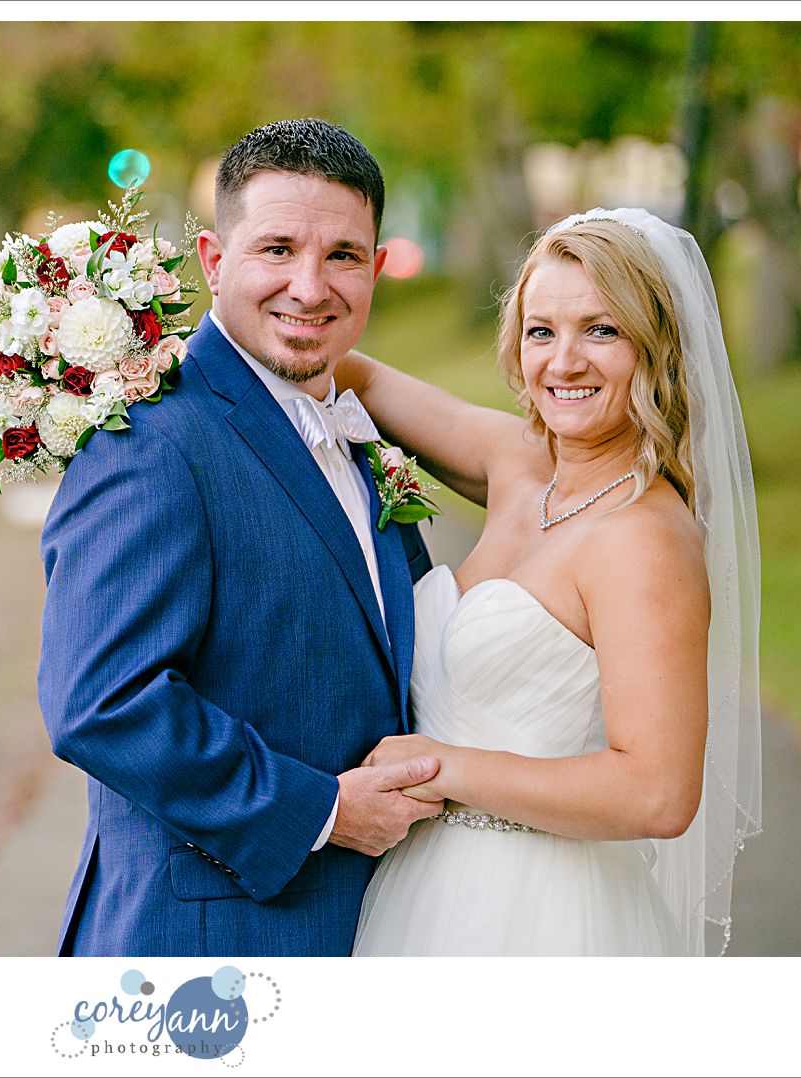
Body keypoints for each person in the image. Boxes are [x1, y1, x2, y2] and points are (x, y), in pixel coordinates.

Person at [37, 119, 442, 956]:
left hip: (365, 928)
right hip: (204, 942)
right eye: (277, 249)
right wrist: (322, 812)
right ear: (215, 264)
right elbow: (101, 702)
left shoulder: (362, 437)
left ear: (373, 268)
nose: (310, 285)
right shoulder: (151, 440)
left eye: (341, 256)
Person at [342, 208, 763, 956]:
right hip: (421, 889)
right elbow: (359, 375)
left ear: (655, 347)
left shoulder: (643, 541)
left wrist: (441, 766)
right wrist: (141, 359)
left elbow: (657, 794)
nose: (563, 362)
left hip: (540, 912)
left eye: (599, 330)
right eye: (541, 331)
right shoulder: (521, 464)